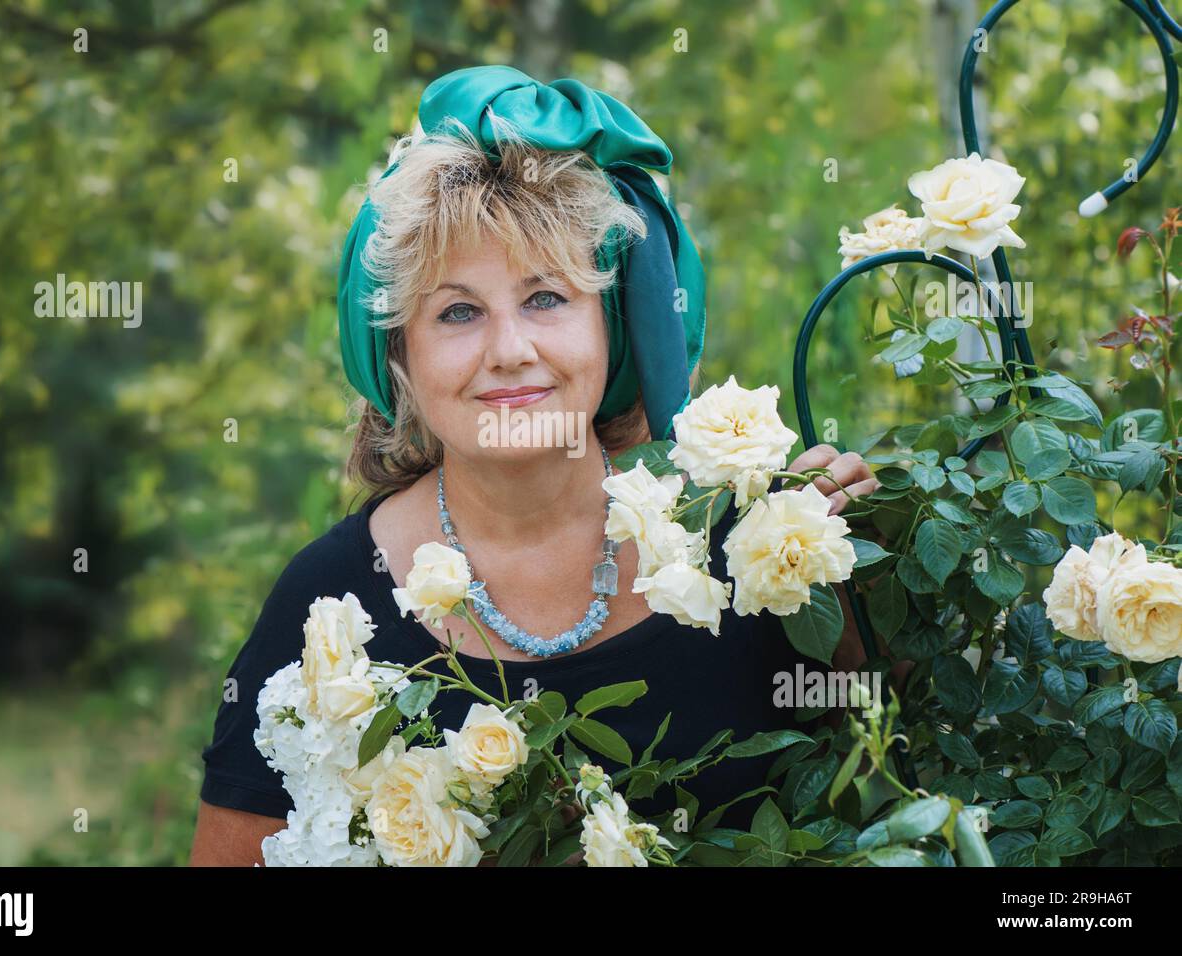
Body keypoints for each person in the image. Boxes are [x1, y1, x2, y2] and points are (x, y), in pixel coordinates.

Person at [189, 65, 878, 866]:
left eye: (546, 297)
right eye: (457, 311)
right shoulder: (327, 606)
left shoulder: (755, 552)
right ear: (399, 355)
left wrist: (856, 577)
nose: (510, 351)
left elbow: (898, 782)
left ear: (612, 326)